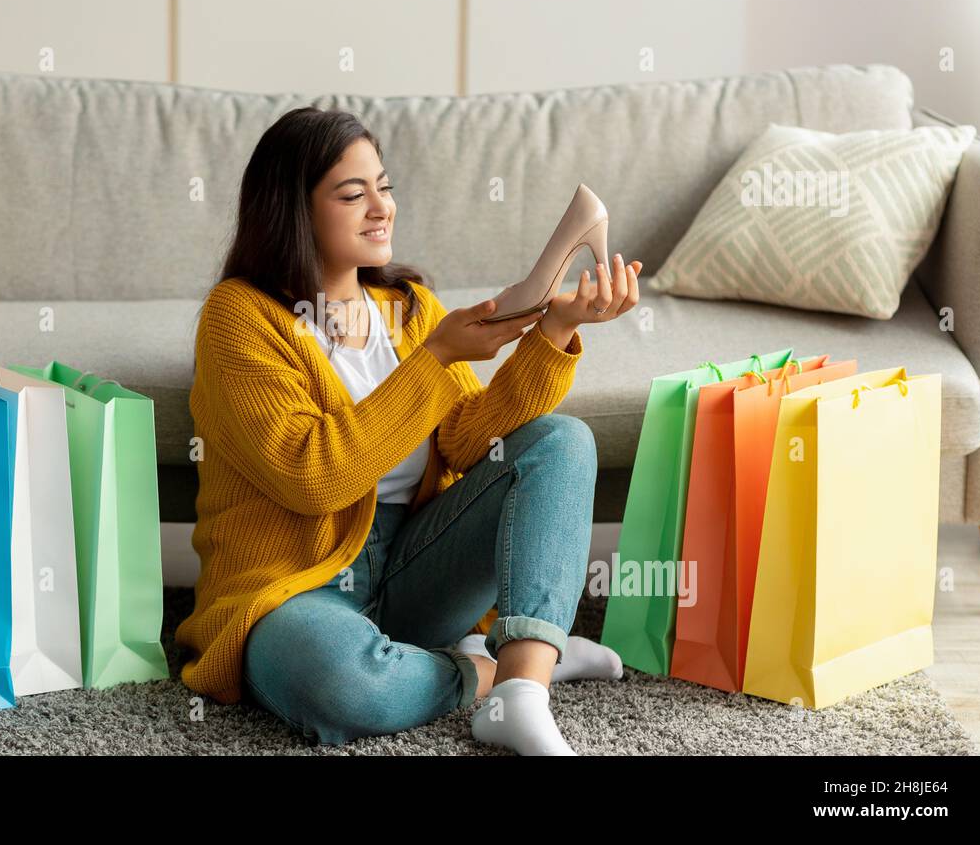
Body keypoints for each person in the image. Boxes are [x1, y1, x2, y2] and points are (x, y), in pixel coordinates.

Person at [176, 106, 644, 754]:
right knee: (340, 681)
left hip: (418, 565)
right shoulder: (240, 318)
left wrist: (556, 330)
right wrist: (437, 359)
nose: (381, 208)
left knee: (562, 441)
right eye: (352, 193)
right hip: (297, 584)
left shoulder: (408, 308)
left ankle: (522, 691)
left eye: (385, 187)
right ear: (292, 210)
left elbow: (465, 441)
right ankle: (496, 668)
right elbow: (312, 477)